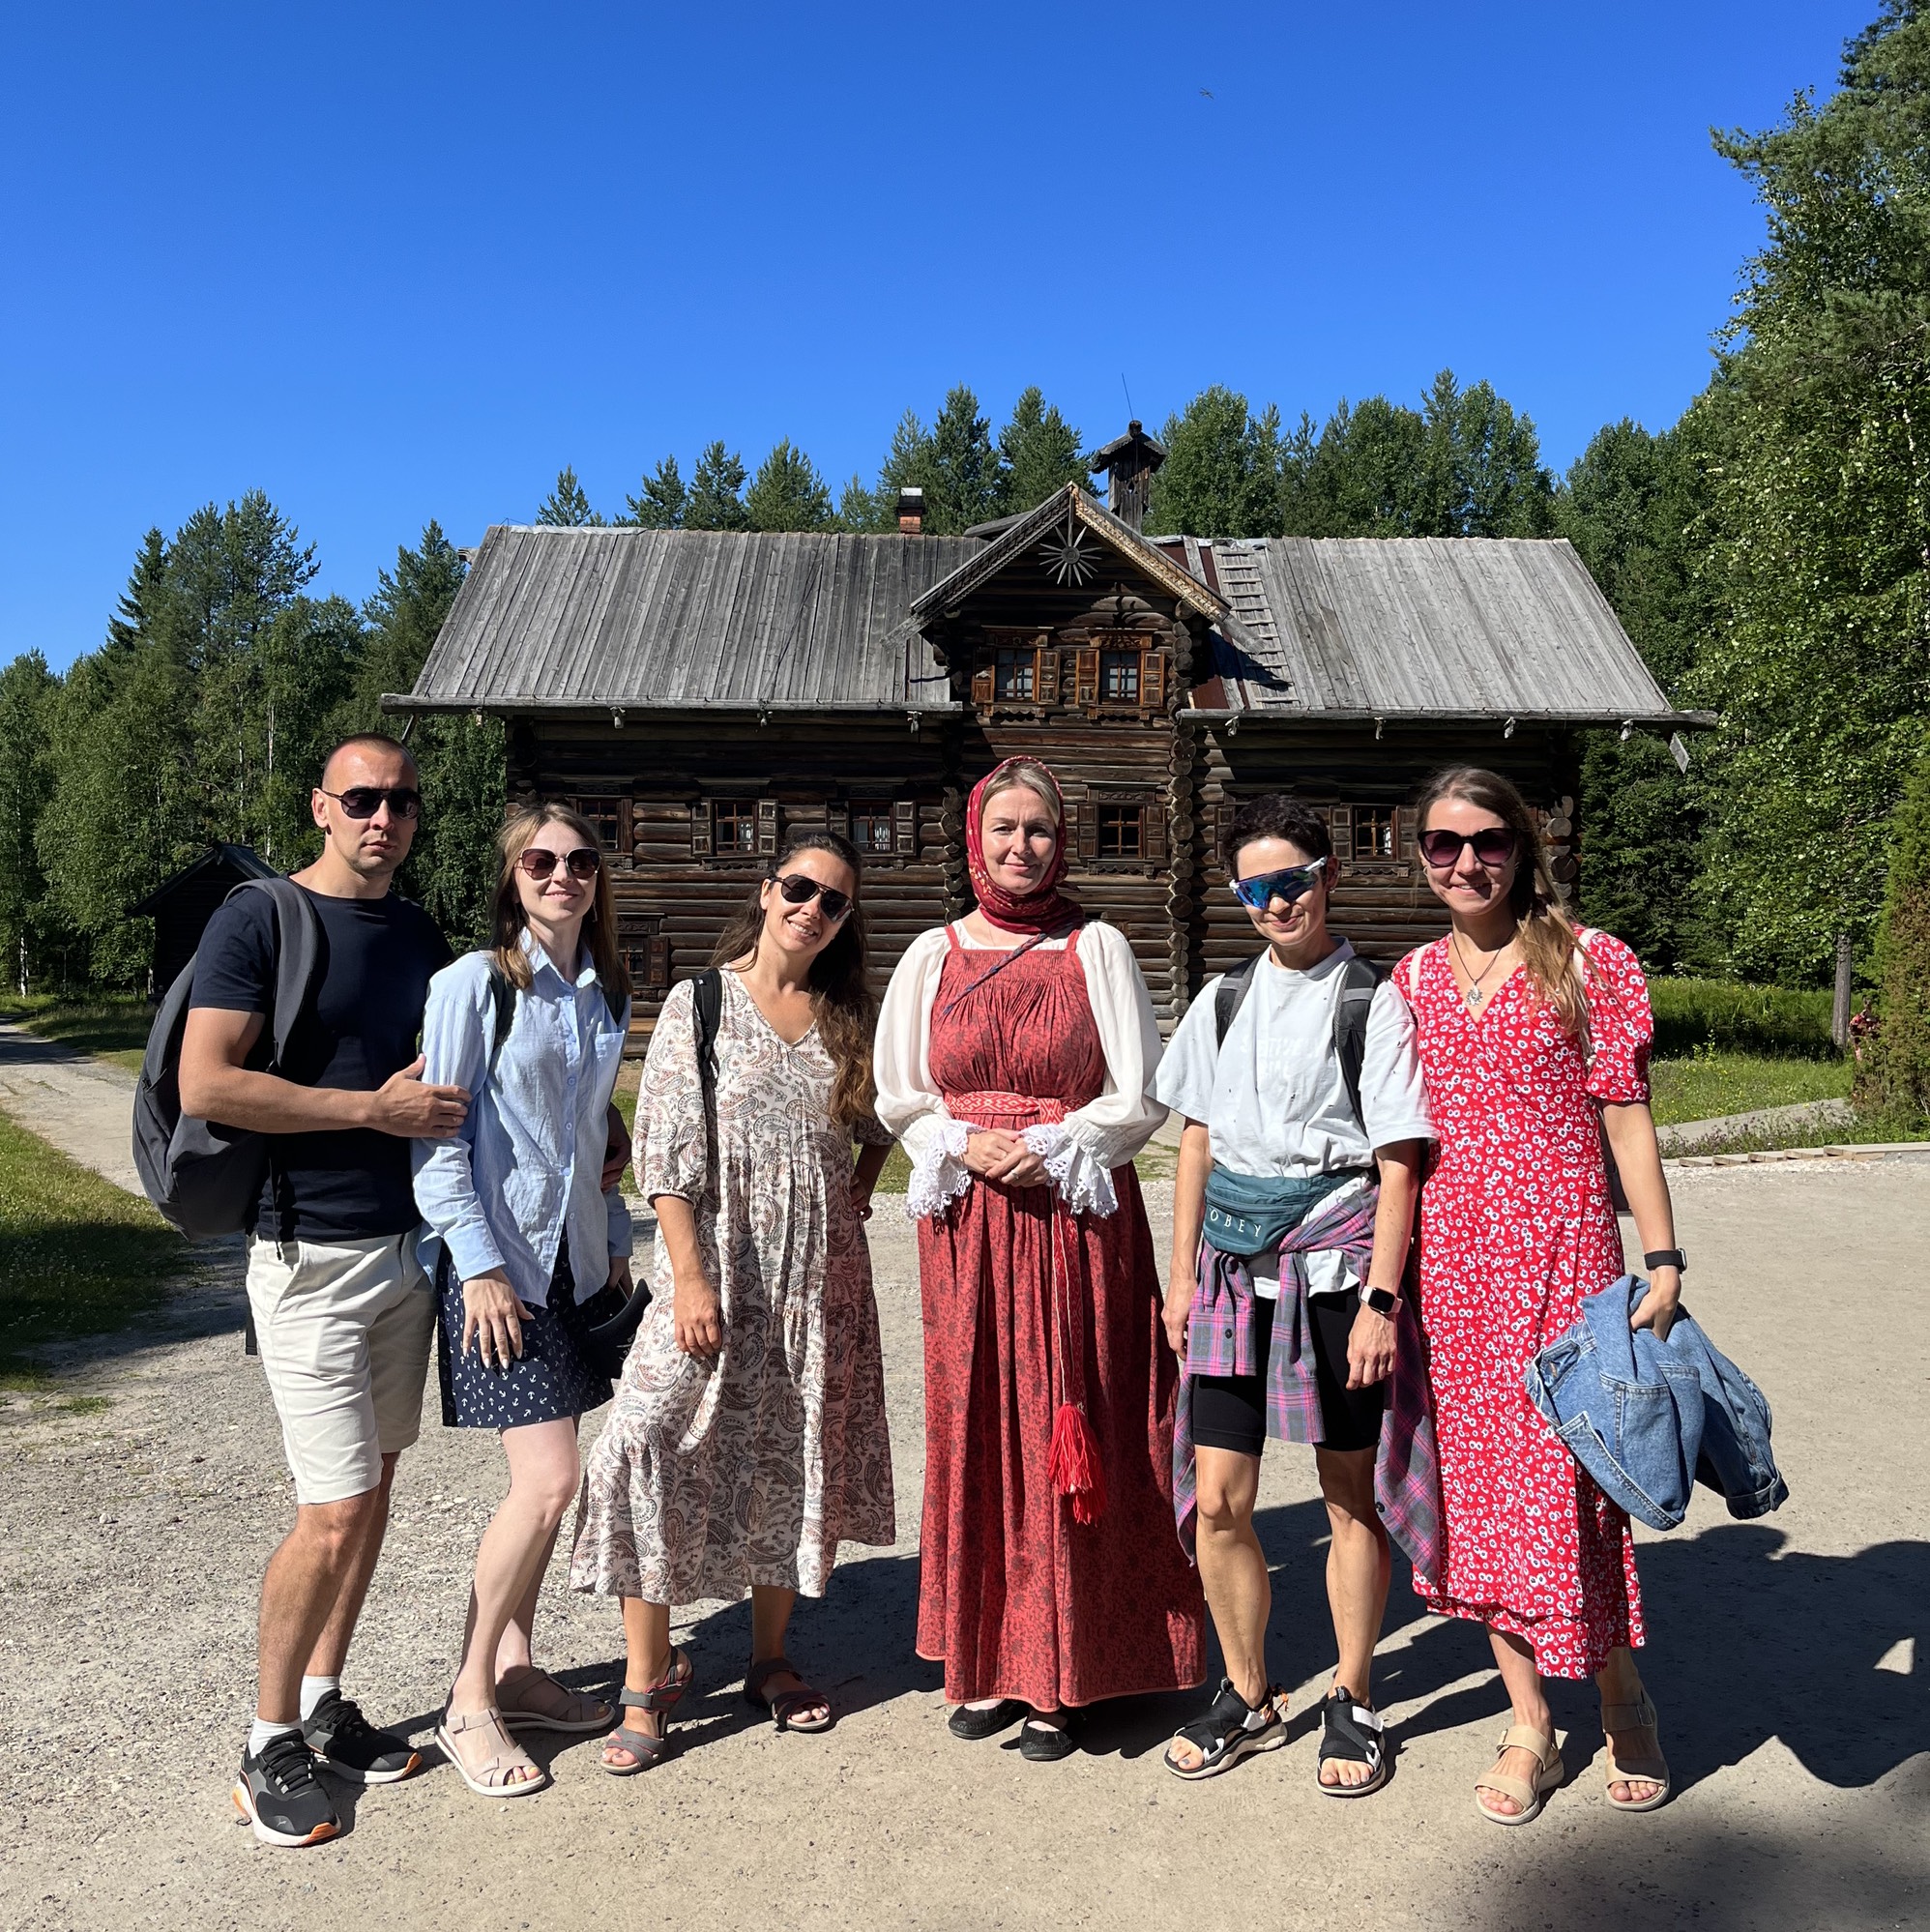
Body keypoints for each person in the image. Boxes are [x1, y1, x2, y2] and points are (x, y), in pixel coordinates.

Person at [874, 757, 1205, 1761]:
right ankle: (984, 1664)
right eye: (1005, 828)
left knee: (1074, 1417)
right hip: (966, 1222)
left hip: (1071, 1215)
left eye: (1041, 832)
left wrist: (1056, 1143)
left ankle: (1065, 1673)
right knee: (978, 1423)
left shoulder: (1093, 945)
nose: (1023, 848)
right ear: (974, 836)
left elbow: (1142, 1092)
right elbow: (897, 1090)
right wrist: (956, 1141)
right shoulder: (931, 955)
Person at [179, 734, 461, 1848]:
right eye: (361, 799)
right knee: (332, 1508)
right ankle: (262, 1745)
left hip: (406, 1253)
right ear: (321, 809)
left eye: (399, 801)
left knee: (377, 1490)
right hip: (309, 1261)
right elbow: (210, 1082)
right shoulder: (257, 919)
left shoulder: (417, 930)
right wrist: (364, 1115)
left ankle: (322, 1705)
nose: (381, 817)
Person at [571, 830, 895, 1769]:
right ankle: (643, 1682)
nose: (813, 910)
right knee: (644, 1444)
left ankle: (768, 1659)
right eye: (800, 888)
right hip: (718, 1271)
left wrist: (858, 1189)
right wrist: (688, 1276)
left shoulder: (843, 1014)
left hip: (816, 1283)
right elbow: (667, 1156)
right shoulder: (700, 1001)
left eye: (834, 902)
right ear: (766, 891)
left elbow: (881, 1120)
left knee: (785, 1465)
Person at [1399, 765, 1681, 1825]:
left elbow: (1626, 1120)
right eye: (1442, 843)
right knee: (1478, 1499)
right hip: (1453, 1271)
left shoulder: (1587, 960)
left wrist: (1662, 1260)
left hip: (1565, 1258)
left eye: (1486, 841)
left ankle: (1620, 1697)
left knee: (1579, 1484)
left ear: (1523, 848)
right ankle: (1529, 1722)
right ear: (1418, 854)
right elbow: (1396, 1147)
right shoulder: (1412, 980)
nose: (1465, 861)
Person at [1155, 795, 1429, 1791]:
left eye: (1294, 880)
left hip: (1334, 1271)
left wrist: (1380, 1303)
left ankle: (1352, 1697)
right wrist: (1178, 1275)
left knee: (1346, 1493)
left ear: (1328, 876)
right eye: (1255, 887)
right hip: (1231, 1275)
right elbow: (1194, 1140)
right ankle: (1248, 1694)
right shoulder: (1222, 999)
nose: (1277, 902)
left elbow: (1398, 1162)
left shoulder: (1371, 999)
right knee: (1221, 1501)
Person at [412, 804, 635, 1797]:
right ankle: (468, 1701)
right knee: (545, 1486)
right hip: (498, 1273)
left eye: (580, 860)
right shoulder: (473, 985)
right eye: (541, 861)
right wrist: (482, 1267)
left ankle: (515, 1665)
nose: (562, 875)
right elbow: (436, 1144)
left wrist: (616, 1237)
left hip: (574, 1267)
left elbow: (588, 1140)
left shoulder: (604, 992)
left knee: (558, 1487)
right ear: (511, 876)